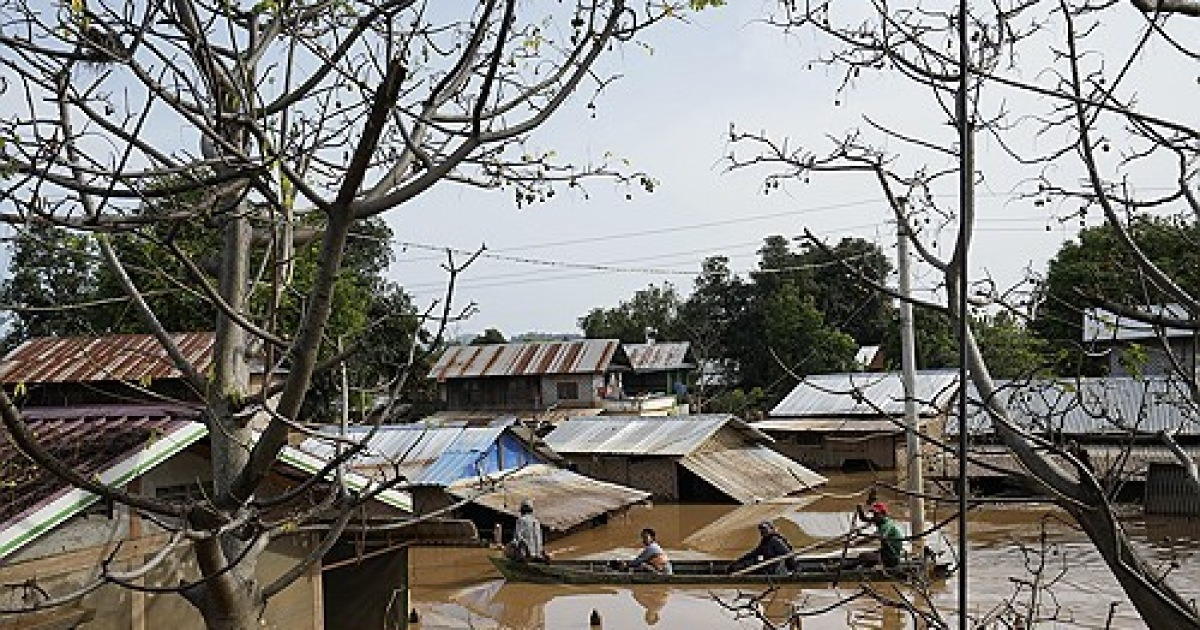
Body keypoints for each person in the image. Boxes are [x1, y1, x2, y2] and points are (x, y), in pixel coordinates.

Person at [727, 521, 795, 575]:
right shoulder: (765, 541)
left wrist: (793, 570)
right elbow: (754, 553)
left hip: (774, 570)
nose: (762, 531)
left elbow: (788, 555)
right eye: (761, 530)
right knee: (743, 565)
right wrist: (738, 561)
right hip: (767, 567)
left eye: (764, 529)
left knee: (750, 567)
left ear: (771, 529)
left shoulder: (775, 540)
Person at [855, 501, 904, 568]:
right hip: (885, 552)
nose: (874, 517)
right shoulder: (880, 520)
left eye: (876, 514)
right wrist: (860, 510)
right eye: (873, 514)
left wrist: (856, 543)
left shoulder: (886, 525)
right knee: (863, 557)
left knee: (864, 557)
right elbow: (864, 519)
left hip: (891, 556)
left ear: (882, 514)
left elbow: (872, 538)